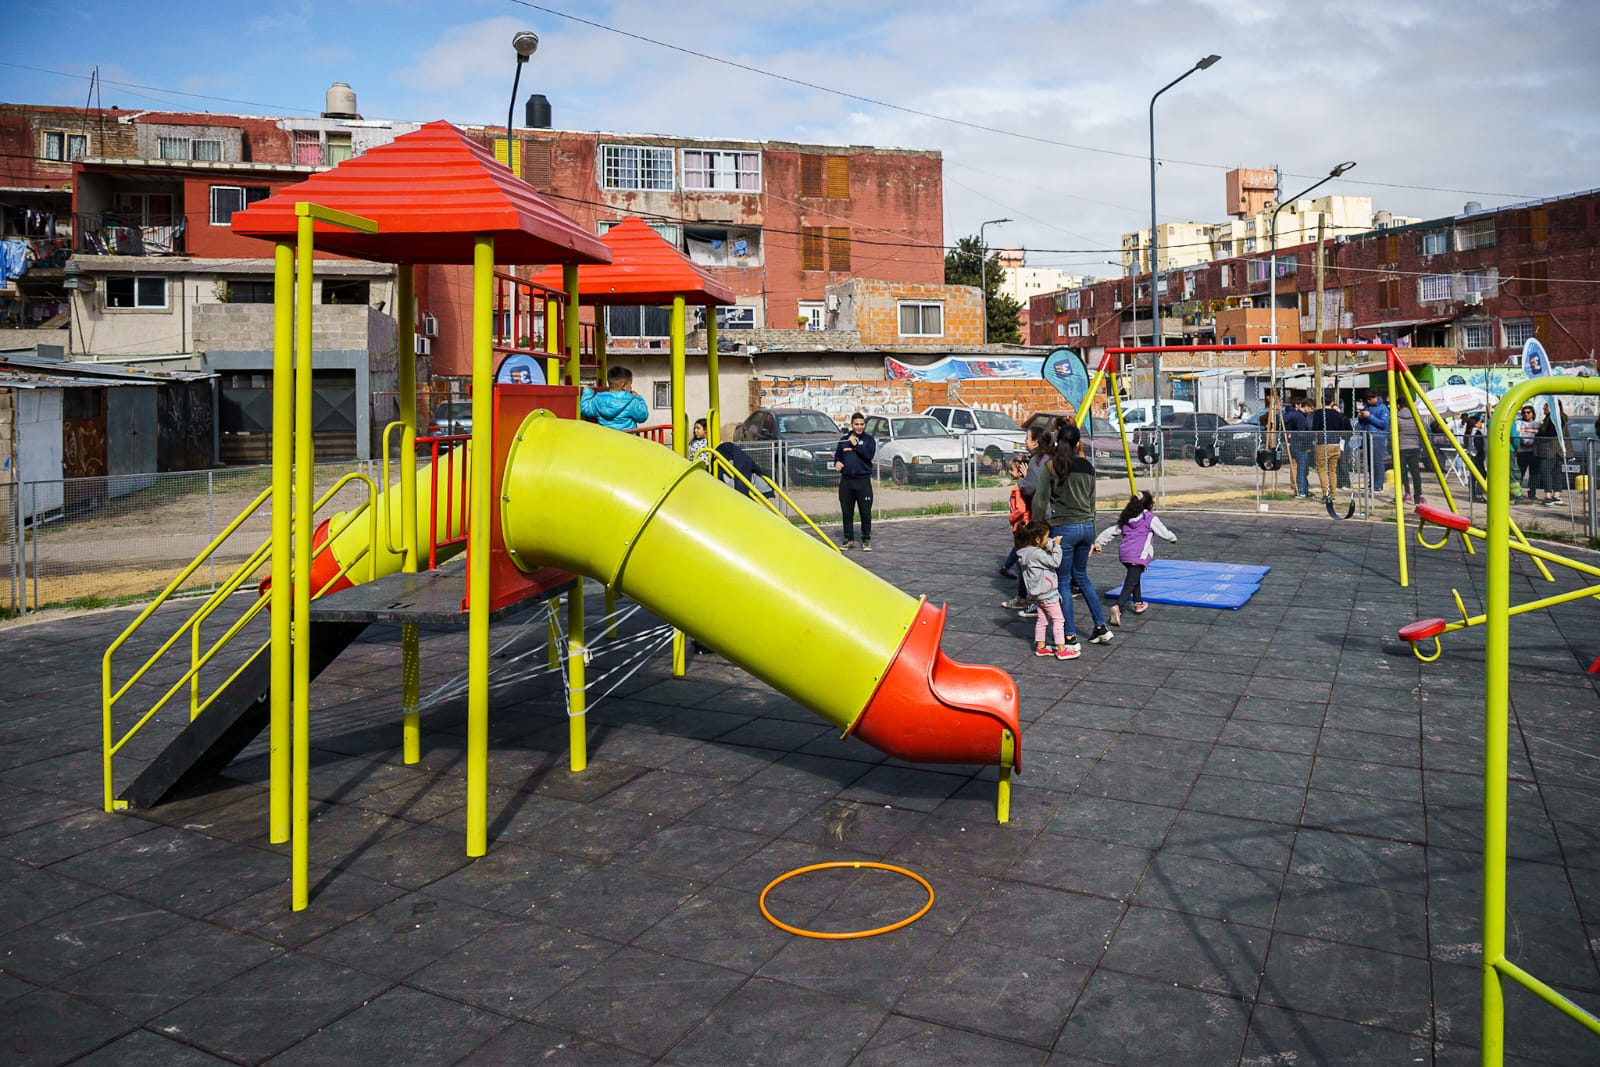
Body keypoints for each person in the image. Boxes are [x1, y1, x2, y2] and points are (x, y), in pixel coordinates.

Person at [1031, 418, 1112, 648]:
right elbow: (1092, 504)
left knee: (1063, 583)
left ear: (1057, 440)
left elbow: (1040, 501)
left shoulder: (1051, 466)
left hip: (1064, 527)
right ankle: (1100, 627)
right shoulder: (1088, 466)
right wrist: (1093, 536)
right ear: (1078, 443)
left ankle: (1070, 637)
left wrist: (1037, 529)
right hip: (1086, 526)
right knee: (1082, 577)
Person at [1094, 490, 1177, 627]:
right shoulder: (1149, 518)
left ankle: (1138, 603)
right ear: (1149, 505)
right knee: (1131, 581)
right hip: (1139, 555)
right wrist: (1173, 538)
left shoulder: (1127, 518)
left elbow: (1111, 531)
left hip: (1125, 554)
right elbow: (1164, 532)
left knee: (1134, 578)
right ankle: (1118, 607)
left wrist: (1099, 542)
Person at [1015, 521, 1075, 660]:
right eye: (1047, 537)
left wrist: (1049, 544)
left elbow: (1041, 551)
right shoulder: (1037, 554)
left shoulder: (1026, 552)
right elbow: (1055, 562)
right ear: (1037, 539)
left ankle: (1041, 647)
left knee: (1042, 620)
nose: (1048, 539)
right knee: (1058, 619)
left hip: (1037, 595)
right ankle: (1061, 649)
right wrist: (1057, 547)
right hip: (1048, 593)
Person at [833, 412, 876, 550]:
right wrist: (837, 463)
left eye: (862, 424)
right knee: (847, 512)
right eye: (856, 424)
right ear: (851, 425)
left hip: (863, 481)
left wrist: (856, 445)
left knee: (865, 512)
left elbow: (869, 455)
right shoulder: (844, 439)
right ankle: (848, 539)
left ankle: (866, 540)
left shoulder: (869, 440)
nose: (859, 427)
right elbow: (838, 456)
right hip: (847, 481)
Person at [1307, 395, 1351, 501]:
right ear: (1332, 403)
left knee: (1322, 469)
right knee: (1333, 470)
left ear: (1322, 402)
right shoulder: (1338, 415)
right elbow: (1342, 429)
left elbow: (1315, 427)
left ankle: (1325, 493)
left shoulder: (1318, 413)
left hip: (1322, 443)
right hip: (1335, 444)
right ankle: (1333, 493)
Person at [580, 365, 649, 430]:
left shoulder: (598, 399)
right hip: (627, 440)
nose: (631, 388)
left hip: (606, 440)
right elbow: (643, 416)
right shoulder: (632, 401)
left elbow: (585, 409)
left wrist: (587, 391)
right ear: (624, 386)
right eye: (630, 385)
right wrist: (638, 398)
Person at [1356, 391, 1390, 496]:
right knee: (1369, 462)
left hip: (1377, 437)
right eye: (1367, 400)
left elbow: (1383, 423)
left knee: (1377, 461)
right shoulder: (1367, 406)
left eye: (1370, 399)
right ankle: (1372, 483)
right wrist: (1361, 418)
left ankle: (1379, 485)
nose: (1368, 402)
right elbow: (1364, 422)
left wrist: (1369, 416)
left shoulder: (1383, 408)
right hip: (1366, 436)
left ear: (1376, 397)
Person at [1533, 406, 1565, 506]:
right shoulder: (1561, 417)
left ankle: (1548, 496)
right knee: (1556, 472)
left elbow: (1550, 433)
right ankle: (1556, 495)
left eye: (1546, 406)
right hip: (1558, 449)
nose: (1543, 408)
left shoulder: (1553, 418)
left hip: (1549, 449)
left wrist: (1537, 432)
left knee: (1547, 472)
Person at [1394, 402, 1425, 505]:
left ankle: (1407, 492)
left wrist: (1392, 447)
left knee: (1402, 472)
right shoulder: (1417, 417)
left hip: (1401, 447)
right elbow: (1422, 431)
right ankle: (1419, 495)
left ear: (1399, 405)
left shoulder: (1396, 417)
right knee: (1415, 472)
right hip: (1414, 446)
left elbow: (1393, 433)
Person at [1284, 397, 1314, 498]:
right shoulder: (1300, 417)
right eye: (1311, 408)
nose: (1311, 411)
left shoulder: (1293, 415)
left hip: (1294, 443)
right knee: (1302, 468)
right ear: (1306, 406)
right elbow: (1302, 433)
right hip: (1301, 445)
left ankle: (1304, 489)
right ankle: (1301, 491)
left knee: (1303, 468)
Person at [1513, 405, 1539, 497]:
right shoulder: (1518, 423)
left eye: (1528, 412)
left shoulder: (1537, 424)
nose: (1526, 414)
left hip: (1533, 451)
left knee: (1534, 474)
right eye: (1524, 412)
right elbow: (1515, 435)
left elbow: (1540, 436)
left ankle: (1532, 492)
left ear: (1533, 414)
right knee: (1520, 473)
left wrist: (1534, 443)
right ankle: (1517, 492)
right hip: (1522, 451)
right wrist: (1521, 442)